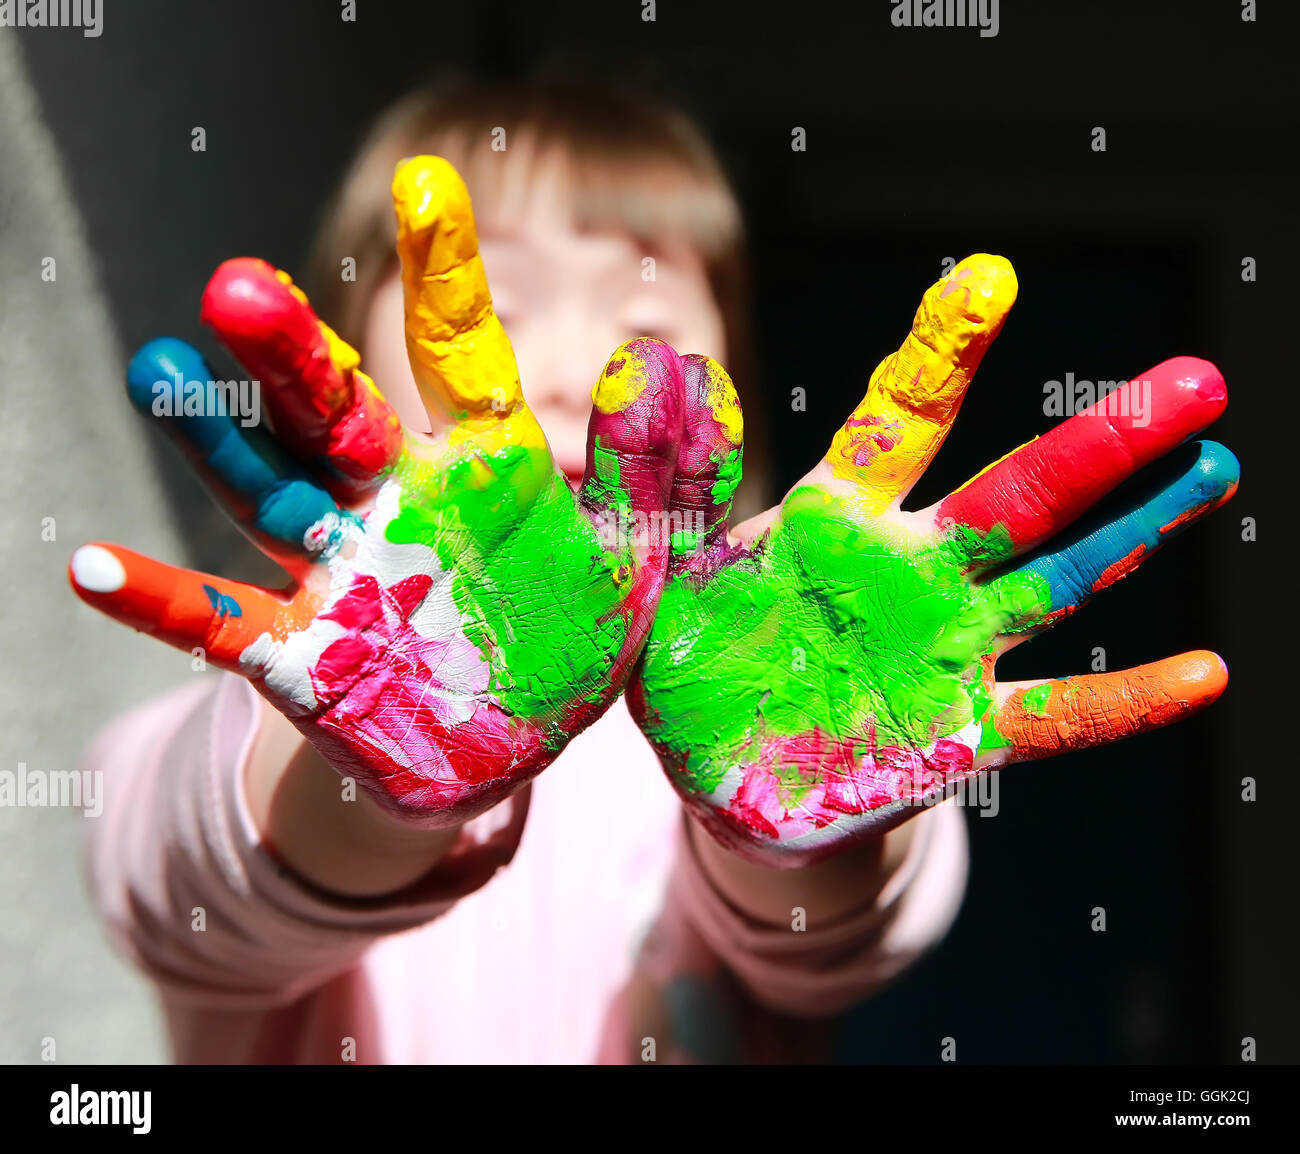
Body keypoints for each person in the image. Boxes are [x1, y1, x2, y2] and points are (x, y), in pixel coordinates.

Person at [70, 73, 1236, 1064]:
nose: (575, 367)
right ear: (336, 355)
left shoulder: (763, 699)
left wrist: (805, 818)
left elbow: (814, 946)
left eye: (644, 317)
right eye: (496, 298)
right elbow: (178, 890)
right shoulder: (245, 732)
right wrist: (397, 760)